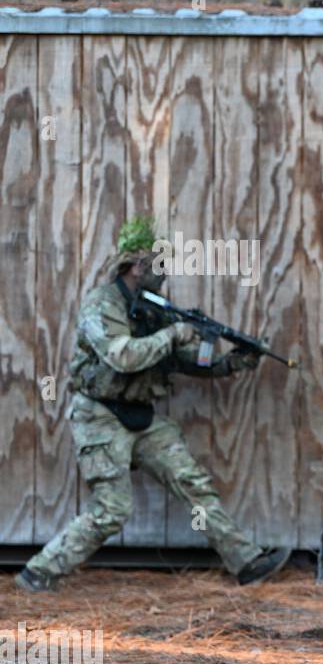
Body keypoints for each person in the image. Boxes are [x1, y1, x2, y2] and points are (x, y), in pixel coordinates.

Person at [14, 219, 291, 593]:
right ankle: (39, 572)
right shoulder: (101, 304)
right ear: (137, 266)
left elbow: (185, 361)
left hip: (141, 416)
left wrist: (232, 360)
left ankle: (246, 562)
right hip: (99, 415)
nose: (165, 273)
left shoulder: (155, 310)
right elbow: (122, 357)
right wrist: (173, 333)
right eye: (159, 266)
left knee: (192, 483)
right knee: (112, 510)